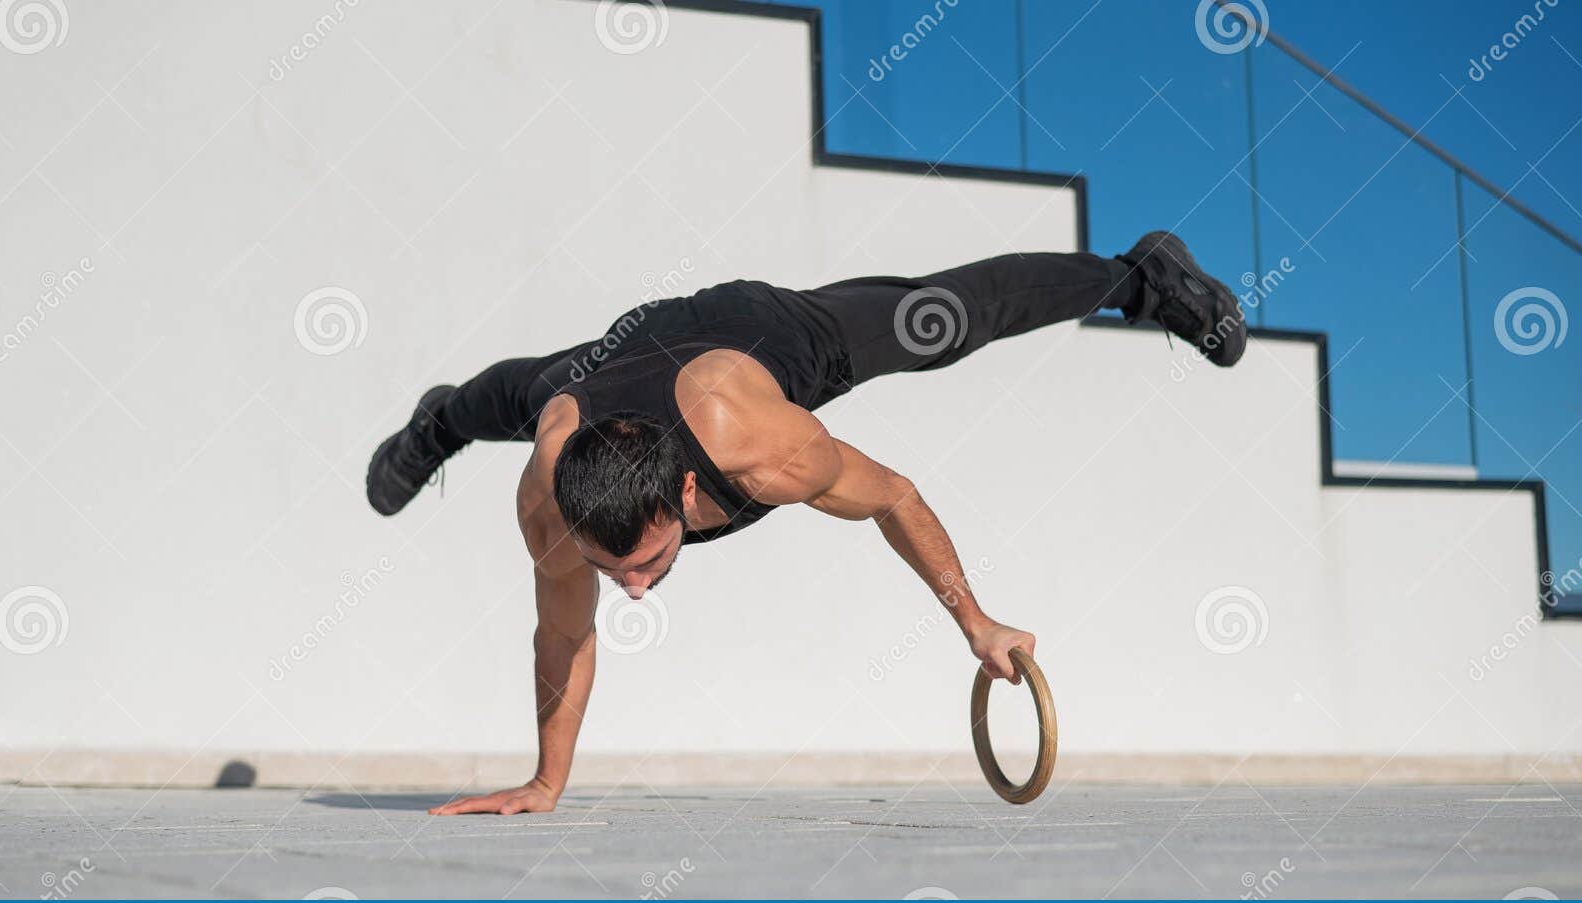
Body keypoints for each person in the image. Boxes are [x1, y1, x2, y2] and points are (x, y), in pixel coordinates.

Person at [365, 231, 1245, 815]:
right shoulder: (550, 502)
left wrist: (972, 620)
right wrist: (546, 781)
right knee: (518, 395)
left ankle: (1142, 276)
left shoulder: (763, 449)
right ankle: (435, 421)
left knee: (946, 318)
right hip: (617, 356)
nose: (634, 591)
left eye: (644, 562)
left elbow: (894, 496)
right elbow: (560, 638)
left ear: (681, 496)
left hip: (763, 330)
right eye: (614, 570)